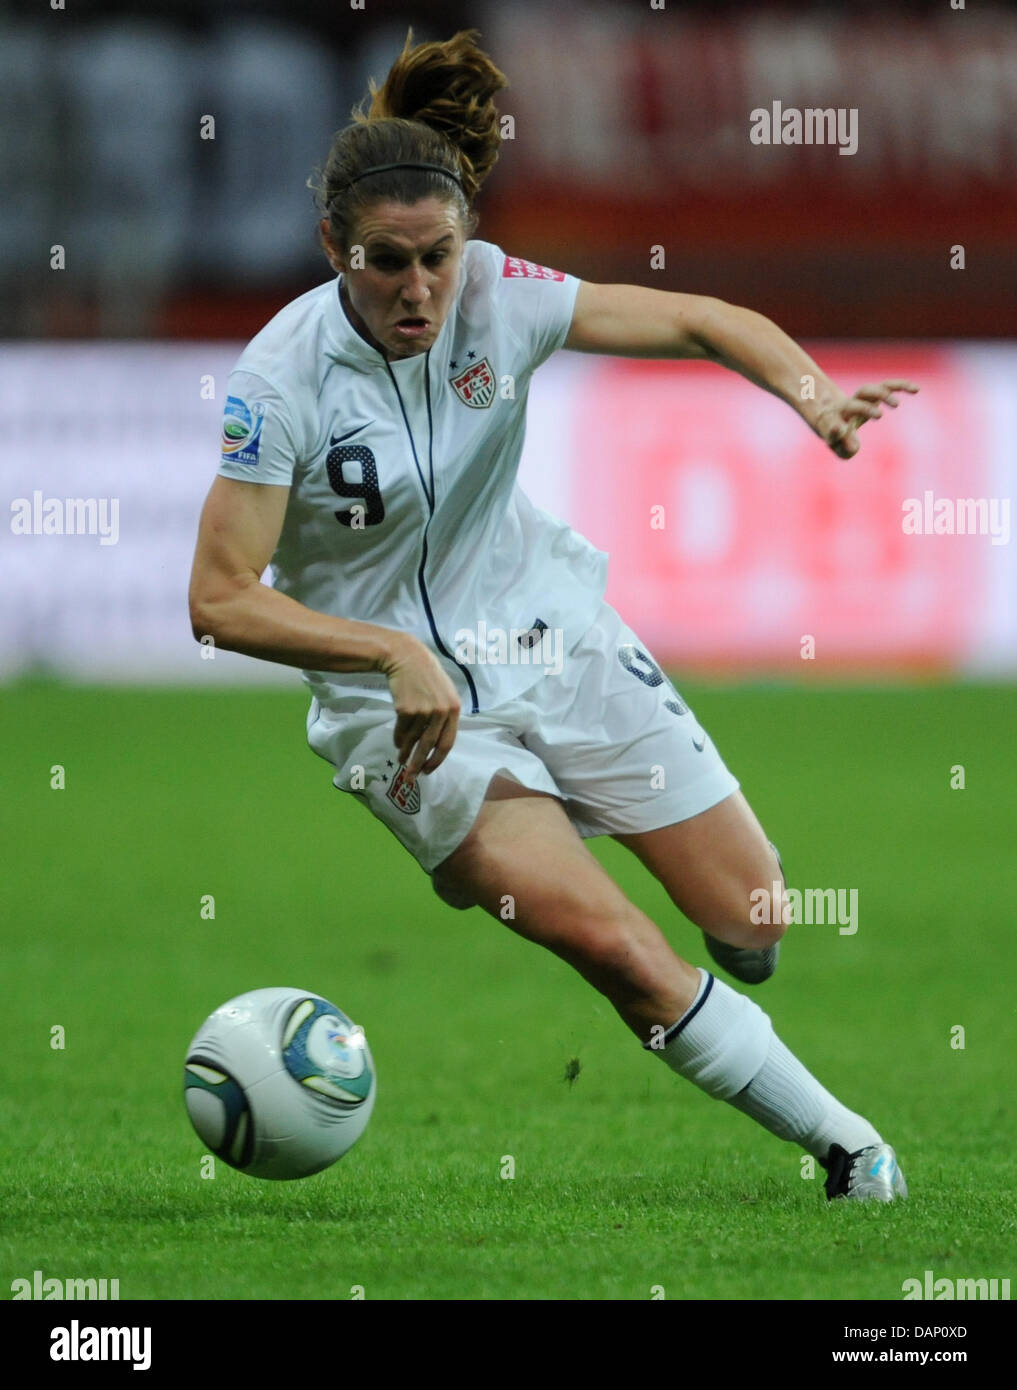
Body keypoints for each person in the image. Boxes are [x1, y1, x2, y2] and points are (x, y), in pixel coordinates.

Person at [190, 29, 918, 1201]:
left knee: (752, 909)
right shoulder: (278, 385)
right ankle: (848, 1147)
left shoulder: (501, 297)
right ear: (333, 248)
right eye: (385, 263)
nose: (419, 290)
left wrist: (812, 394)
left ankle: (654, 877)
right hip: (411, 721)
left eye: (439, 256)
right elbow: (218, 599)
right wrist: (388, 651)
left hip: (553, 640)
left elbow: (699, 319)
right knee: (612, 946)